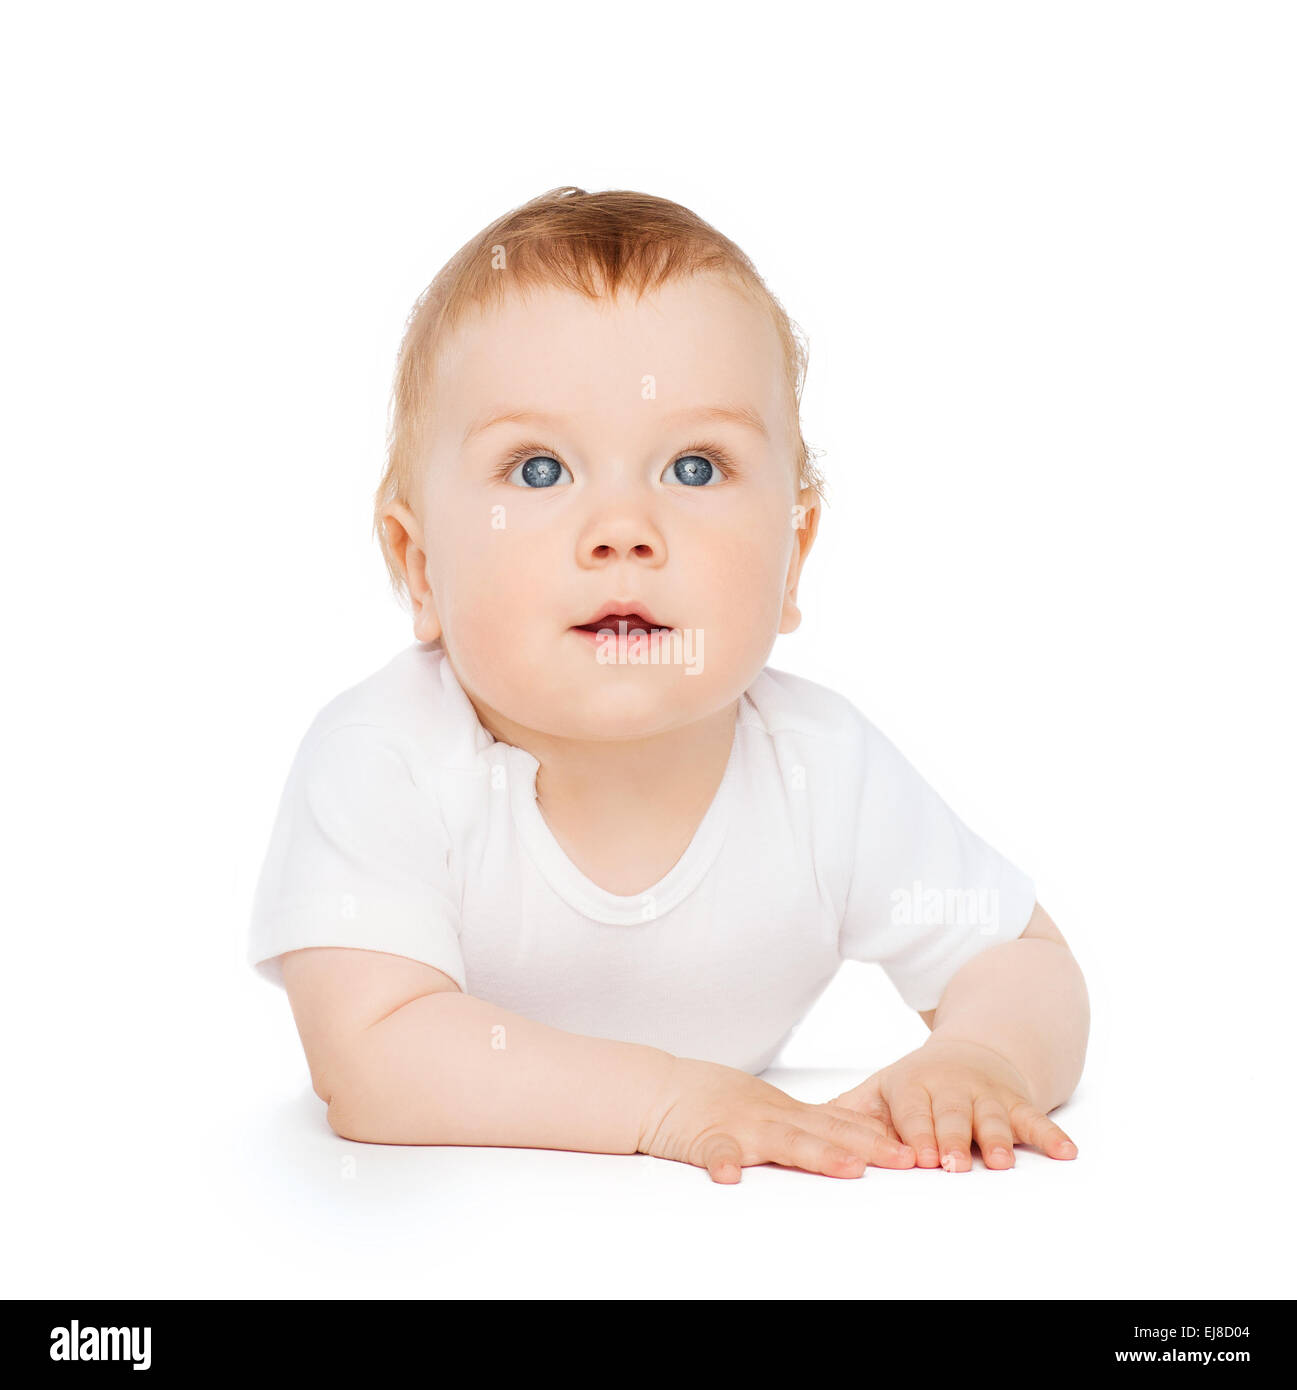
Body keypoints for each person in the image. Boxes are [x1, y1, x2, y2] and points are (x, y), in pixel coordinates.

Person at [247, 186, 1088, 1183]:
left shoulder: (820, 771)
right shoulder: (386, 757)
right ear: (419, 564)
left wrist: (980, 1056)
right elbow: (372, 1055)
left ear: (792, 556)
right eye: (538, 469)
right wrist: (669, 1101)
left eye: (694, 467)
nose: (622, 530)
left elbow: (1024, 960)